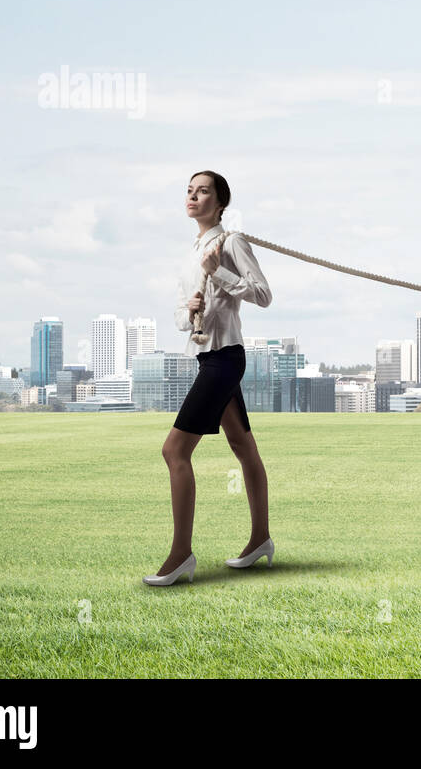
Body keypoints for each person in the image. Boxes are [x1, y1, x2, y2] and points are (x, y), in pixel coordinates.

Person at [143, 170, 275, 586]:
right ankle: (260, 540)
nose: (193, 196)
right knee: (242, 445)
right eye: (189, 190)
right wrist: (191, 307)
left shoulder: (231, 242)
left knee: (173, 451)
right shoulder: (191, 252)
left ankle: (181, 554)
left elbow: (263, 295)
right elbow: (182, 317)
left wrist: (219, 273)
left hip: (226, 359)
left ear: (220, 204)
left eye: (203, 192)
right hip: (208, 357)